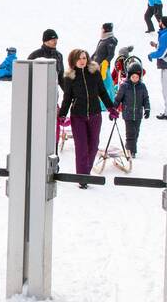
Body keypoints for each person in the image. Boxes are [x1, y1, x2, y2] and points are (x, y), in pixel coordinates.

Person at [59, 48, 115, 184]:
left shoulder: (94, 73)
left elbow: (102, 91)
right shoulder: (69, 77)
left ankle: (86, 173)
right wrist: (62, 115)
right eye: (79, 58)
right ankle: (82, 178)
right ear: (73, 61)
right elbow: (67, 98)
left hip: (95, 114)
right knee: (81, 147)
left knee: (94, 145)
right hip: (78, 116)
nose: (82, 61)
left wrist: (111, 107)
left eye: (84, 58)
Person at [113, 61, 150, 158]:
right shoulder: (124, 86)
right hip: (128, 114)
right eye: (133, 77)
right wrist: (113, 110)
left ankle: (129, 147)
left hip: (138, 114)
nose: (135, 79)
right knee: (130, 133)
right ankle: (131, 151)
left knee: (136, 133)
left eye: (137, 77)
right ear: (129, 76)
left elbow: (145, 99)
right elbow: (118, 99)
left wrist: (147, 109)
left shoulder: (142, 86)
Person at [149, 15, 167, 119]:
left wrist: (151, 55)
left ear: (163, 23)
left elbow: (162, 53)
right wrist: (156, 45)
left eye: (160, 21)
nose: (159, 23)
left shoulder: (166, 35)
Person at [93, 22, 119, 100]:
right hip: (97, 65)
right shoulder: (103, 39)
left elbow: (111, 54)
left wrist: (106, 62)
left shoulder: (111, 40)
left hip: (104, 67)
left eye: (102, 28)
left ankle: (108, 101)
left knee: (105, 84)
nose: (101, 29)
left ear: (105, 30)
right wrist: (89, 59)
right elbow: (96, 52)